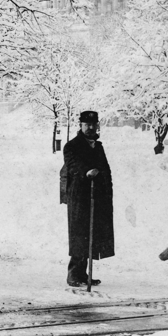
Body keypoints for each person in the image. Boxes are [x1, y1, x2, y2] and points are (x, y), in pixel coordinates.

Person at [60, 110, 114, 288]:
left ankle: (84, 274)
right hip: (79, 197)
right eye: (86, 125)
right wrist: (86, 171)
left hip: (96, 196)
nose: (90, 128)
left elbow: (105, 168)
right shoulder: (71, 146)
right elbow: (73, 165)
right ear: (80, 126)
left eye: (93, 124)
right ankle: (73, 274)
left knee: (92, 235)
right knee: (79, 234)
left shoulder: (98, 146)